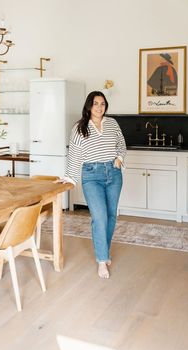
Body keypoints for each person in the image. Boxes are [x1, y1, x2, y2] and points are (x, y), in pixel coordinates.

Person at [57, 91, 126, 279]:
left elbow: (121, 144)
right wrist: (69, 178)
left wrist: (119, 159)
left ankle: (104, 251)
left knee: (111, 215)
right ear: (89, 106)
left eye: (102, 104)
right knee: (100, 217)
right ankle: (102, 261)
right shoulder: (80, 127)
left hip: (113, 173)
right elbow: (75, 155)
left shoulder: (112, 123)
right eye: (95, 103)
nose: (99, 107)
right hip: (91, 176)